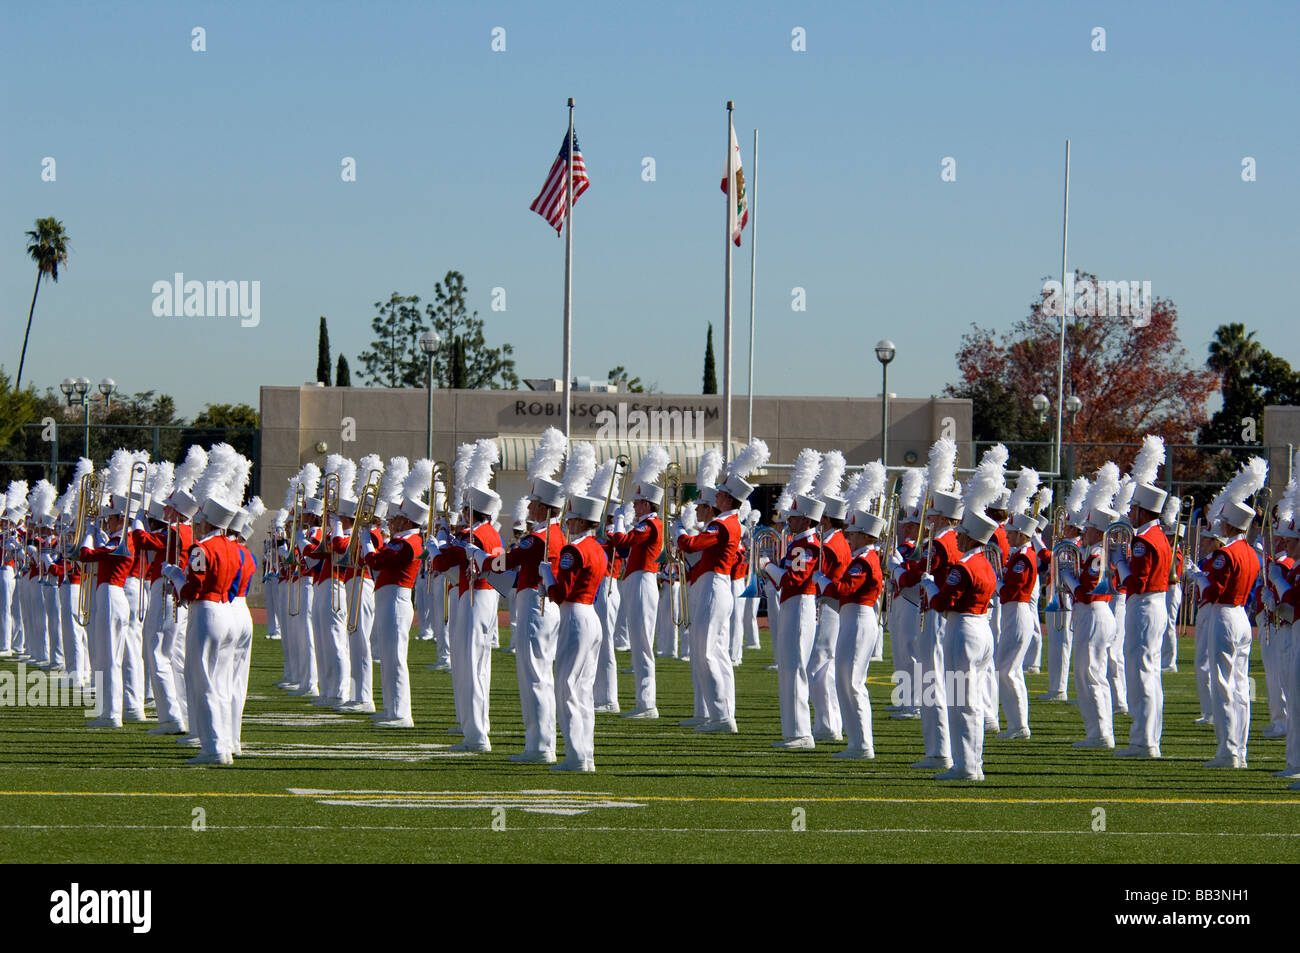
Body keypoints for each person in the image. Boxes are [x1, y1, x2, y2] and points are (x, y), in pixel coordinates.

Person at [1185, 459, 1266, 768]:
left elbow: (1213, 590)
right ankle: (1239, 751)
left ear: (1231, 524)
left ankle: (1228, 751)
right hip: (1242, 617)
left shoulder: (1225, 553)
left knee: (1223, 685)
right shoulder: (1250, 552)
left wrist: (1196, 575)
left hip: (1224, 615)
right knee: (1241, 688)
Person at [1110, 437, 1172, 759]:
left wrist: (1119, 560)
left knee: (1140, 672)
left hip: (1144, 604)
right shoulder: (1157, 536)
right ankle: (1149, 738)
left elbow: (1136, 580)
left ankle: (1143, 742)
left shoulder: (1144, 541)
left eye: (1133, 508)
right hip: (1153, 604)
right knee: (1149, 672)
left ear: (1142, 510)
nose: (1130, 512)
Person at [541, 486, 609, 772]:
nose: (567, 523)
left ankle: (575, 755)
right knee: (583, 689)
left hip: (574, 615)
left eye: (571, 519)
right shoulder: (597, 548)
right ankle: (585, 754)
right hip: (591, 616)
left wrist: (547, 576)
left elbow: (561, 594)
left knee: (567, 686)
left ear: (581, 522)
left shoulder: (573, 550)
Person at [817, 497, 886, 759]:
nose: (849, 537)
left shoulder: (863, 561)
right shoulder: (862, 558)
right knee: (847, 682)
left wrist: (823, 582)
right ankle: (857, 742)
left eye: (854, 534)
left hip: (858, 618)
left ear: (864, 536)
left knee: (852, 683)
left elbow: (845, 589)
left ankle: (862, 744)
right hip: (853, 617)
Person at [363, 462, 430, 731]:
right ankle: (391, 708)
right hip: (389, 598)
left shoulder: (407, 543)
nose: (390, 521)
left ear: (406, 520)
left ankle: (401, 713)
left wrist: (368, 542)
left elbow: (376, 562)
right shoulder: (402, 540)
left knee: (395, 657)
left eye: (395, 518)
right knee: (388, 656)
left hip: (397, 599)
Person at [606, 448, 668, 719]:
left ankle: (647, 704)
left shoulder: (651, 525)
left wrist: (619, 521)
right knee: (637, 642)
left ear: (647, 505)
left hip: (644, 582)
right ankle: (643, 703)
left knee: (642, 644)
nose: (634, 504)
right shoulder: (647, 524)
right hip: (636, 581)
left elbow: (623, 542)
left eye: (638, 501)